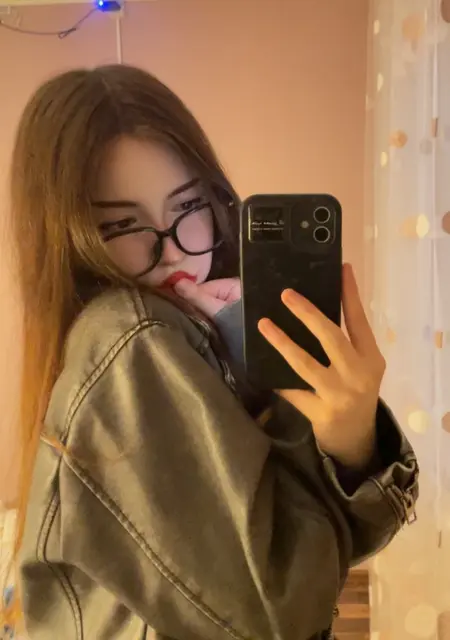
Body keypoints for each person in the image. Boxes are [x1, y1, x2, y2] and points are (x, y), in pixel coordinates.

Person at [3, 64, 418, 640]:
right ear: (71, 241)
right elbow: (283, 606)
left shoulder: (187, 328)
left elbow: (291, 559)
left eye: (187, 208)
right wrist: (321, 436)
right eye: (122, 225)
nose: (174, 251)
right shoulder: (130, 340)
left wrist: (347, 440)